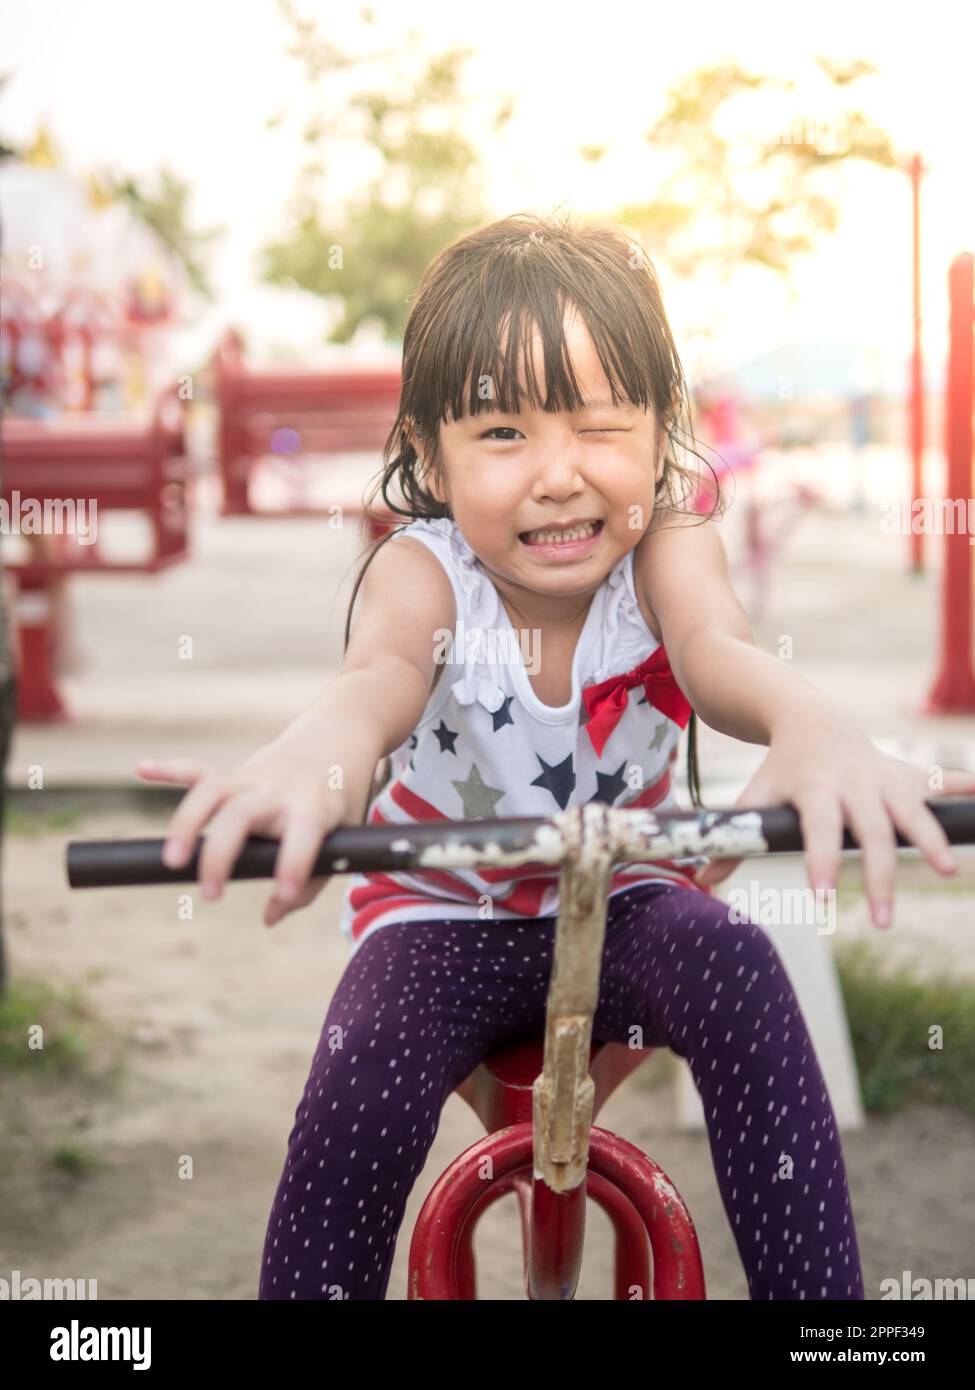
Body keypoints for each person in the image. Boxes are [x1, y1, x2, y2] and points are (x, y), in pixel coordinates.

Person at [138, 212, 972, 1301]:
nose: (558, 474)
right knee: (363, 1066)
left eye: (599, 426)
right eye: (501, 434)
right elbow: (371, 689)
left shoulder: (669, 549)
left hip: (626, 902)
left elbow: (722, 655)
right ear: (430, 451)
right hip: (445, 920)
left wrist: (811, 725)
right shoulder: (423, 574)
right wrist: (311, 761)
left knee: (744, 970)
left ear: (661, 430)